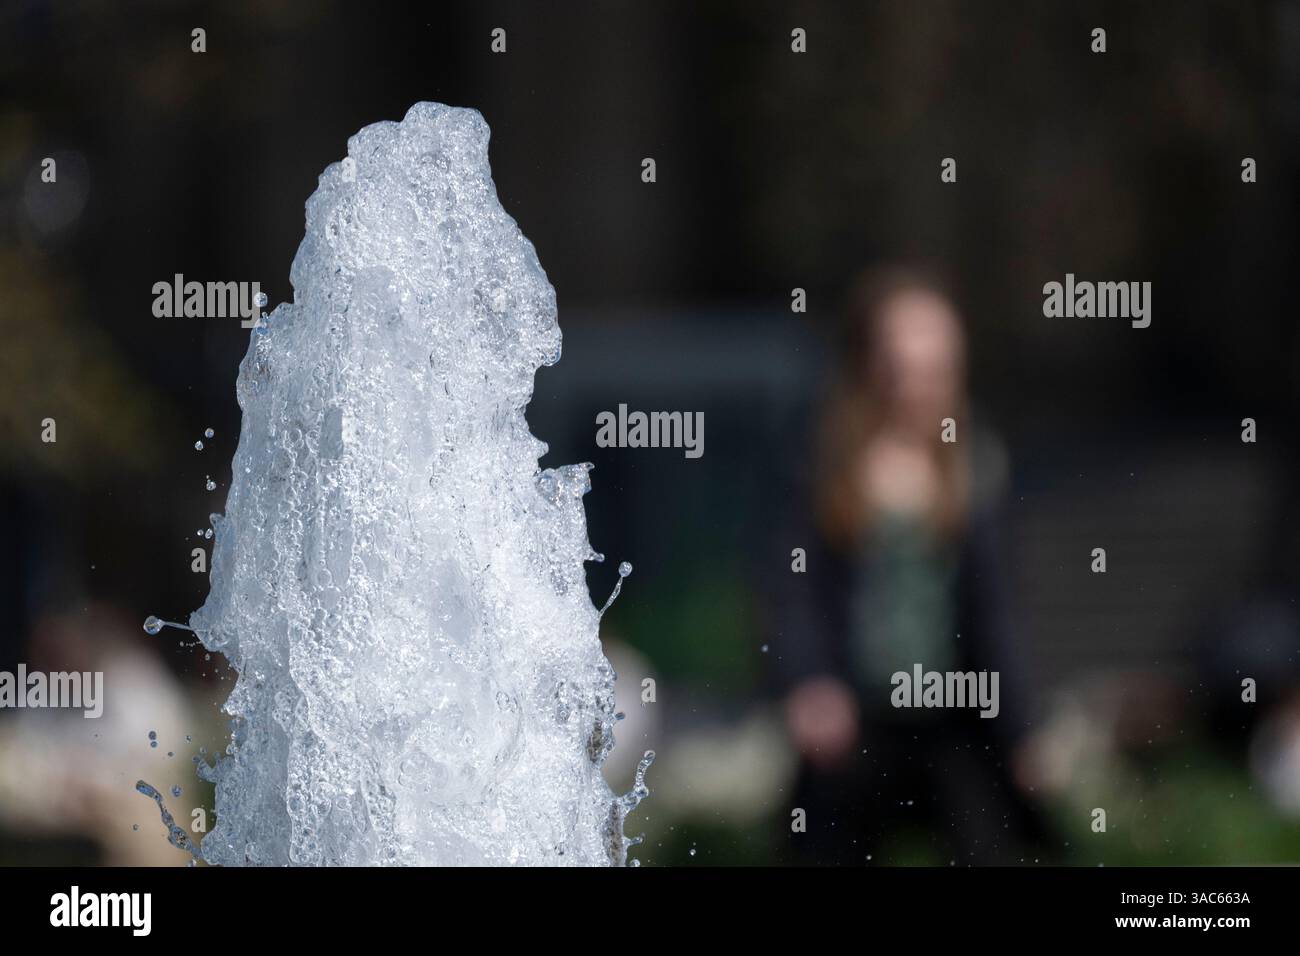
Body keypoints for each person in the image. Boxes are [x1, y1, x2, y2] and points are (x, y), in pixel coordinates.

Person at [768, 264, 1043, 865]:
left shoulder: (978, 467)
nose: (914, 388)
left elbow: (999, 611)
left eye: (933, 371)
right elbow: (791, 590)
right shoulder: (821, 465)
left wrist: (1022, 729)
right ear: (868, 365)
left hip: (954, 719)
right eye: (899, 368)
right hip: (854, 719)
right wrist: (809, 680)